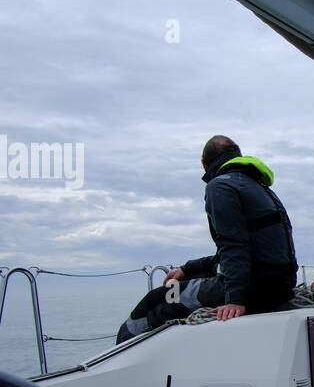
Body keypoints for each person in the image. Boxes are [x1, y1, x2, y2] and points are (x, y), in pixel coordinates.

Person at [116, 136, 297, 343]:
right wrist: (188, 268)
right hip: (279, 286)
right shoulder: (260, 188)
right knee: (189, 279)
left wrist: (235, 300)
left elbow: (233, 246)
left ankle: (116, 359)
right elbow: (240, 251)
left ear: (205, 165)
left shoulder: (219, 187)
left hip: (254, 290)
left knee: (158, 300)